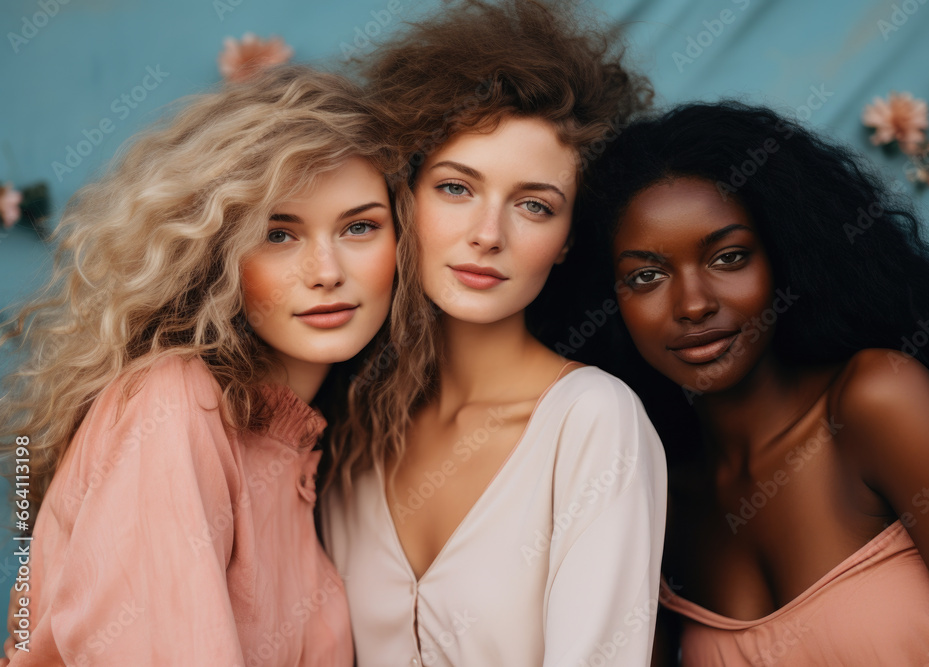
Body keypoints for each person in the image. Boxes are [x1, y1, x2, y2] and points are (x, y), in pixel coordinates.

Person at [0, 65, 400, 666]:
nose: (326, 270)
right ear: (217, 255)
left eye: (360, 227)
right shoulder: (176, 400)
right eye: (278, 234)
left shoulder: (308, 440)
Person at [577, 101, 929, 666]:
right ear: (610, 304)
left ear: (786, 258)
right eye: (646, 276)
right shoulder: (658, 505)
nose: (695, 304)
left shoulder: (875, 402)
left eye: (728, 258)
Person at [319, 1, 668, 665]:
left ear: (567, 240)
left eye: (534, 205)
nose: (488, 234)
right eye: (456, 188)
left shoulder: (594, 422)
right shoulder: (353, 424)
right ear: (405, 193)